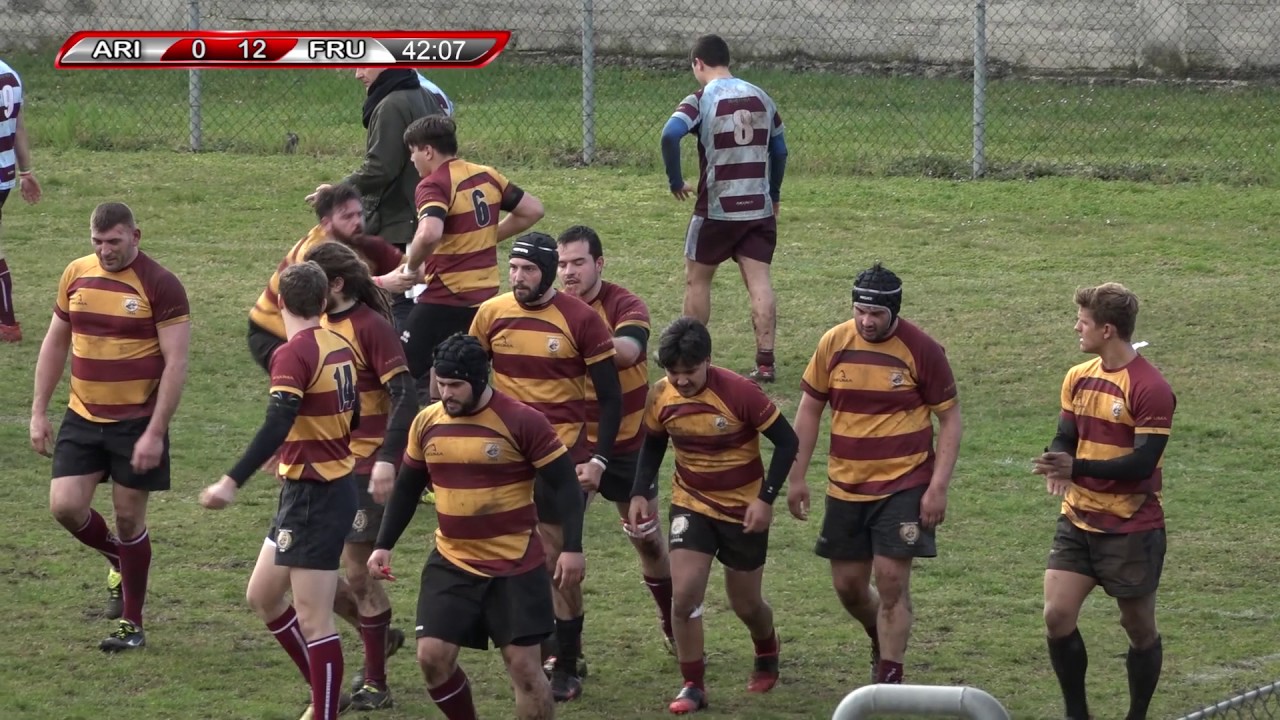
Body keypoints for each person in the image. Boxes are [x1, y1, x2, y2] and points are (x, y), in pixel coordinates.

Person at [367, 333, 586, 720]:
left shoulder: (522, 421)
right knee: (432, 658)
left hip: (515, 565)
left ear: (479, 380)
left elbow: (566, 485)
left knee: (525, 671)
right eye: (440, 383)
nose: (445, 393)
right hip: (453, 560)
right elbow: (407, 488)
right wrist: (383, 544)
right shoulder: (427, 423)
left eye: (454, 385)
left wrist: (572, 547)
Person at [785, 262, 962, 686]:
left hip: (903, 484)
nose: (866, 321)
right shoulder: (833, 343)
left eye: (876, 314)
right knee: (848, 586)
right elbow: (810, 409)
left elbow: (950, 420)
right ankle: (878, 638)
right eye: (859, 311)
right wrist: (796, 476)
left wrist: (937, 487)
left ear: (894, 311)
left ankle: (890, 677)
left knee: (891, 583)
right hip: (846, 486)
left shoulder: (922, 350)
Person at [201, 261, 360, 720]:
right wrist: (299, 446)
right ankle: (327, 692)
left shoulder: (294, 353)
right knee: (263, 596)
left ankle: (325, 709)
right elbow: (353, 416)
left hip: (317, 496)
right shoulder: (338, 344)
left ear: (281, 303)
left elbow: (278, 419)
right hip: (314, 490)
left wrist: (231, 481)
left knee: (314, 619)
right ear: (324, 300)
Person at [29, 202, 190, 651]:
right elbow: (55, 341)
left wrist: (155, 432)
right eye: (97, 242)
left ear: (136, 236)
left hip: (135, 422)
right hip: (82, 416)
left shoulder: (161, 285)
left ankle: (132, 623)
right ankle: (121, 558)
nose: (105, 251)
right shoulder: (76, 274)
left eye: (114, 242)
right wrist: (39, 410)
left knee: (127, 516)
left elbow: (176, 363)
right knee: (64, 506)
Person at [469, 232, 622, 702]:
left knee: (559, 562)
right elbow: (468, 378)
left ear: (548, 273)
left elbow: (611, 398)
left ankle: (568, 664)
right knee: (514, 556)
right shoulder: (491, 314)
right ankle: (547, 646)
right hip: (505, 460)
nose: (517, 278)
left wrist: (598, 458)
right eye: (513, 269)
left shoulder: (581, 320)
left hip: (561, 459)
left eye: (528, 270)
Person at [628, 316, 798, 714]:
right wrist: (639, 491)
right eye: (673, 373)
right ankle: (693, 684)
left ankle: (766, 648)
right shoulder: (660, 395)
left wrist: (765, 499)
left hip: (743, 512)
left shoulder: (741, 393)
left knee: (746, 604)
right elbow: (652, 445)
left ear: (708, 360)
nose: (681, 381)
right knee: (684, 597)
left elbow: (787, 442)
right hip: (693, 504)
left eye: (689, 372)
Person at [1032, 283, 1175, 720]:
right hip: (1077, 519)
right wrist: (1060, 457)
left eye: (1084, 322)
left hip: (1131, 527)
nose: (1077, 327)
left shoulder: (1150, 388)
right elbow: (1066, 433)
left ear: (1107, 330)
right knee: (1057, 616)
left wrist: (1078, 469)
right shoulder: (1078, 376)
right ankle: (1078, 714)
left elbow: (1143, 462)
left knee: (1138, 628)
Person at [305, 241, 420, 710]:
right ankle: (378, 635)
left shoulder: (372, 328)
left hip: (364, 466)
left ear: (335, 284)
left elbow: (405, 396)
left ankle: (376, 681)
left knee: (354, 570)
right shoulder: (315, 325)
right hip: (322, 464)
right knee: (307, 572)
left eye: (315, 280)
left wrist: (390, 460)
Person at [555, 225, 674, 649]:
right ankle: (565, 651)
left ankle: (670, 617)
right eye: (562, 263)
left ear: (599, 264)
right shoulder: (547, 310)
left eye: (577, 263)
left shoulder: (625, 303)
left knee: (649, 543)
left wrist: (575, 341)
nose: (568, 272)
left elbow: (629, 350)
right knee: (557, 550)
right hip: (570, 448)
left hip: (626, 447)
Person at [660, 34, 788, 383]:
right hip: (758, 209)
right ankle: (765, 362)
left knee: (697, 280)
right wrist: (773, 193)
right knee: (759, 282)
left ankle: (694, 357)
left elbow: (670, 135)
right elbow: (779, 151)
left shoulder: (701, 100)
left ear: (698, 63)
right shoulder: (761, 96)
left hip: (716, 210)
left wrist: (675, 181)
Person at [400, 114, 544, 404]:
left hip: (447, 295)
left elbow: (429, 234)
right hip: (485, 293)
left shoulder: (433, 184)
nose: (412, 160)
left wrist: (411, 267)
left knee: (399, 367)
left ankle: (397, 439)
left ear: (427, 150)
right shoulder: (486, 175)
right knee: (451, 367)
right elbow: (533, 210)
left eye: (412, 152)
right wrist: (486, 237)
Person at [307, 68, 443, 330]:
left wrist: (337, 191)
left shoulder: (391, 104)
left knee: (397, 300)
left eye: (365, 65)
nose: (358, 74)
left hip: (401, 220)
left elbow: (382, 167)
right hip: (426, 211)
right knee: (420, 297)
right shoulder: (424, 95)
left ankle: (398, 358)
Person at [249, 183, 413, 372]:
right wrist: (383, 283)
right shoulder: (312, 254)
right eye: (347, 217)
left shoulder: (362, 243)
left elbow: (413, 266)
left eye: (359, 214)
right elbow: (327, 292)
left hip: (315, 330)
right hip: (273, 332)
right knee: (320, 383)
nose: (357, 222)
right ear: (326, 223)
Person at [0, 57, 43, 342]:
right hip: (4, 176)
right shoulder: (10, 75)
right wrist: (26, 171)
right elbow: (19, 128)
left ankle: (8, 324)